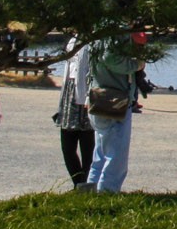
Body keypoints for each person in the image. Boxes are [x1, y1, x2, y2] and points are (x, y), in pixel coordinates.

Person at [86, 36, 138, 193]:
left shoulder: (98, 31)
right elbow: (109, 58)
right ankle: (107, 193)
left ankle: (91, 191)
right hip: (115, 101)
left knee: (100, 153)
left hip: (98, 96)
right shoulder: (117, 32)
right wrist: (136, 65)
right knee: (116, 156)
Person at [53, 35, 93, 188]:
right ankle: (78, 183)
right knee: (67, 146)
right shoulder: (73, 40)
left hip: (87, 94)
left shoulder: (94, 41)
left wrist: (88, 97)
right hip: (69, 93)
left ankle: (86, 185)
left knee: (88, 145)